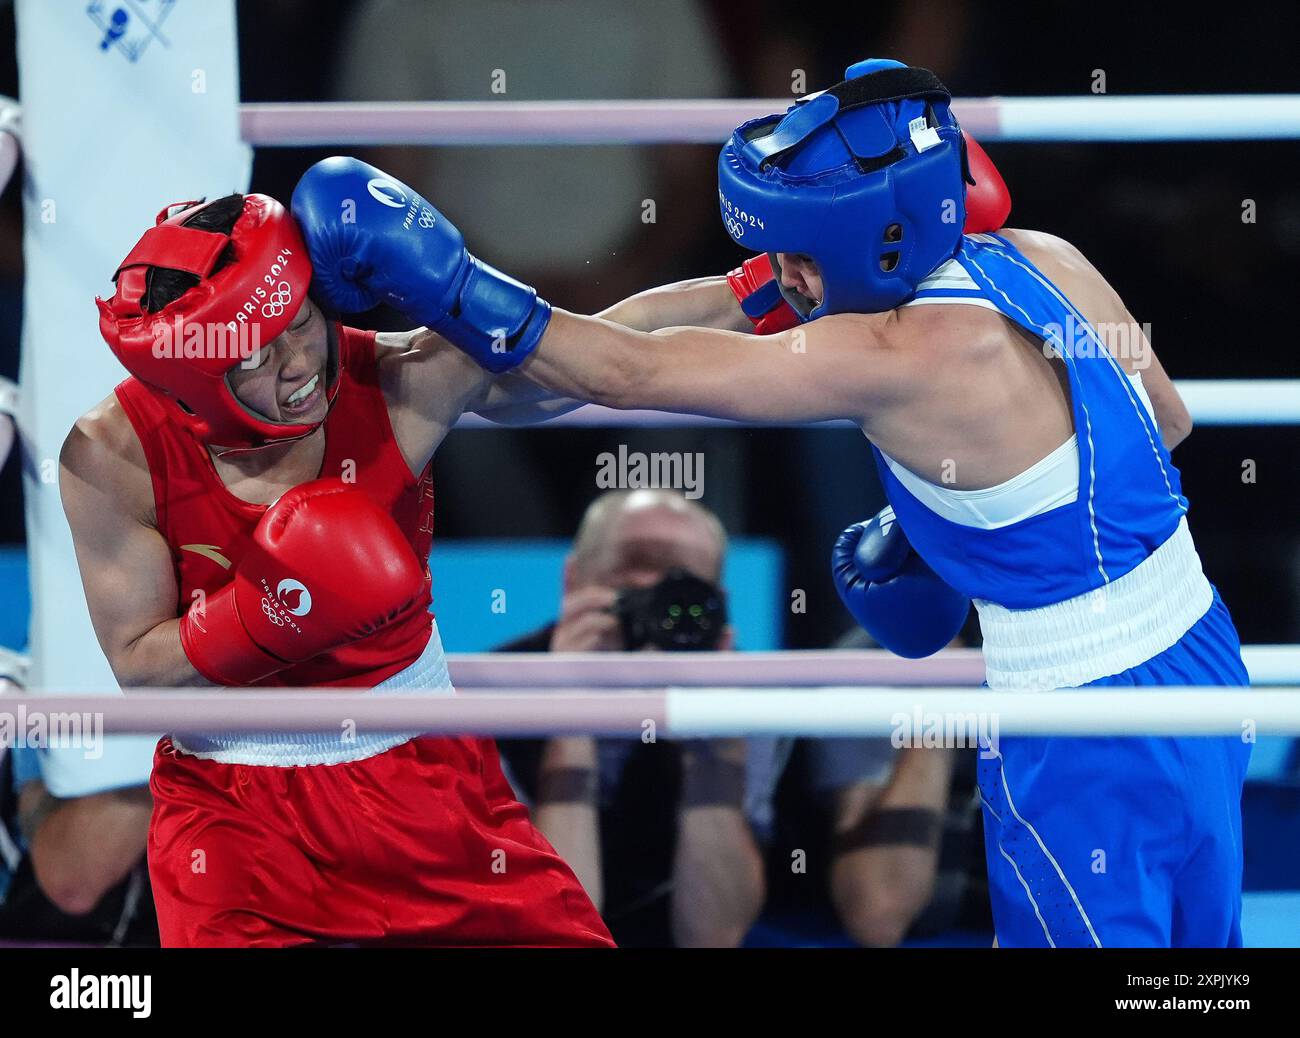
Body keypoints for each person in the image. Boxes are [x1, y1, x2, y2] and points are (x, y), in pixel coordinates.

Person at [290, 57, 1250, 948]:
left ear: (875, 240)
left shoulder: (880, 355)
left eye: (801, 253)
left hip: (1076, 714)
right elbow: (1164, 424)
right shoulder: (1046, 256)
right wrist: (978, 511)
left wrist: (450, 285)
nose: (784, 275)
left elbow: (628, 373)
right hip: (1201, 655)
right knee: (1200, 968)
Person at [60, 193, 615, 947]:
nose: (297, 366)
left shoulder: (393, 381)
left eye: (299, 324)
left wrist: (763, 291)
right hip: (234, 816)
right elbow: (139, 668)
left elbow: (610, 345)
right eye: (255, 355)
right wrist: (267, 615)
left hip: (425, 775)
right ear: (188, 379)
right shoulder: (112, 455)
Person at [493, 489, 770, 947]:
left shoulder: (747, 696)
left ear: (715, 602)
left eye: (679, 587)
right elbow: (555, 930)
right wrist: (572, 712)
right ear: (574, 580)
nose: (655, 600)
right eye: (632, 572)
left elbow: (714, 936)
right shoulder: (491, 693)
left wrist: (714, 745)